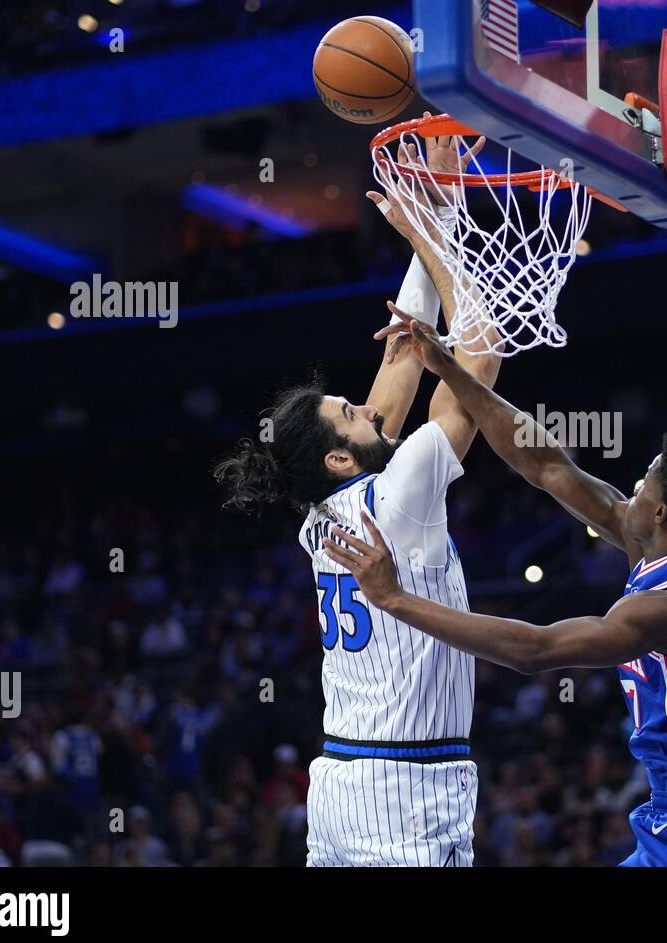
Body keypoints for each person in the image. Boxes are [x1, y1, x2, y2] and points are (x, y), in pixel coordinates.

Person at [322, 316, 667, 866]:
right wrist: (449, 369)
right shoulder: (650, 540)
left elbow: (536, 651)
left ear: (661, 512)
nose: (631, 489)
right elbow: (543, 463)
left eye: (644, 486)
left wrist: (395, 599)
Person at [213, 124, 501, 866]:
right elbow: (482, 358)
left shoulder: (321, 512)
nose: (371, 406)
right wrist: (437, 232)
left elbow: (404, 355)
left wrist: (434, 214)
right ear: (342, 456)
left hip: (344, 783)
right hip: (405, 793)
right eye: (354, 412)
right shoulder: (398, 493)